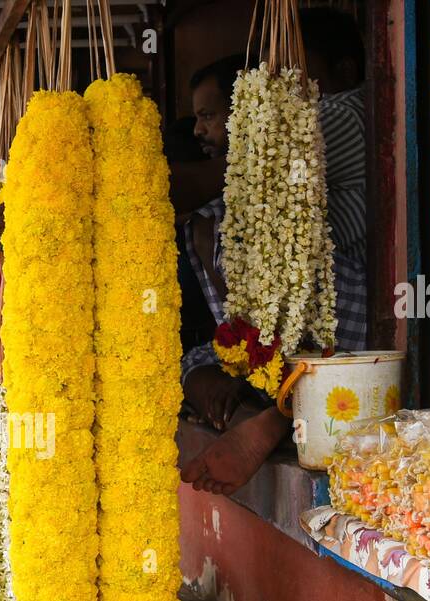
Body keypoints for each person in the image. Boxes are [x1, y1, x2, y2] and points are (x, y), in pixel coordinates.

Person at [178, 7, 369, 496]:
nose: (283, 98)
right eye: (272, 82)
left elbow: (223, 175)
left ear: (344, 72)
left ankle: (274, 417)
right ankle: (269, 409)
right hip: (294, 345)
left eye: (298, 77)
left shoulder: (347, 113)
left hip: (353, 340)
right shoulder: (253, 178)